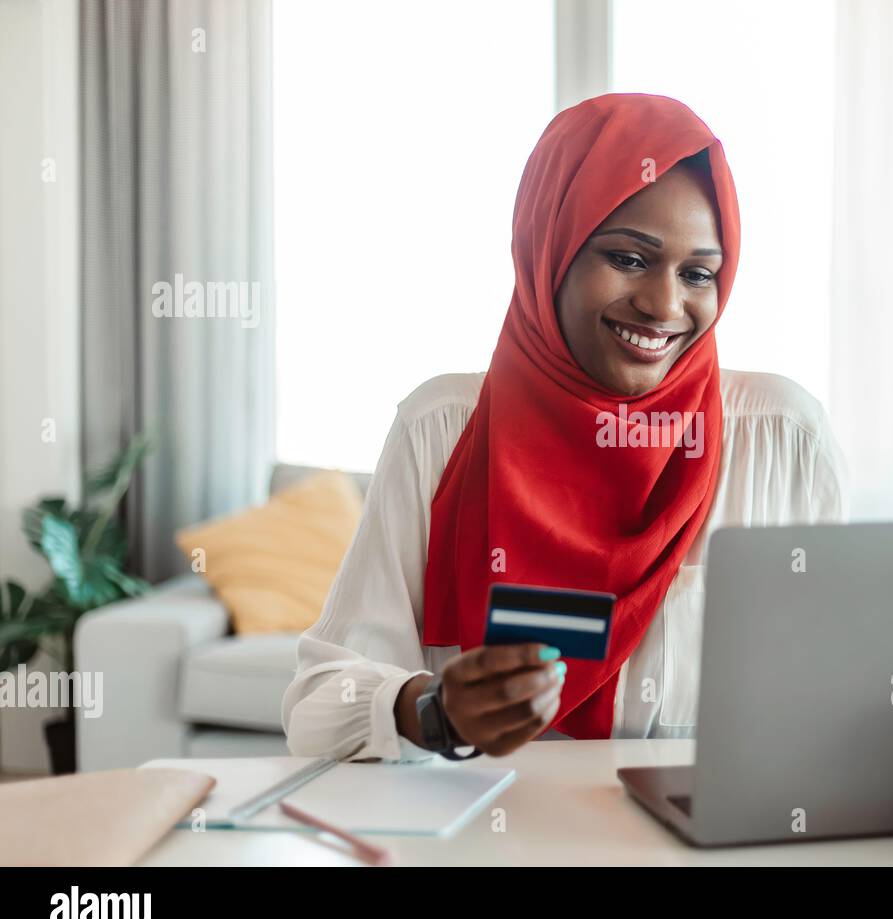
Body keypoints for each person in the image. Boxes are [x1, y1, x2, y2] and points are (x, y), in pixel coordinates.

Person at [281, 92, 848, 761]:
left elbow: (833, 707)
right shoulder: (440, 431)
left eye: (698, 273)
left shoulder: (783, 440)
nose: (664, 305)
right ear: (548, 247)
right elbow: (318, 705)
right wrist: (432, 709)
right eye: (629, 259)